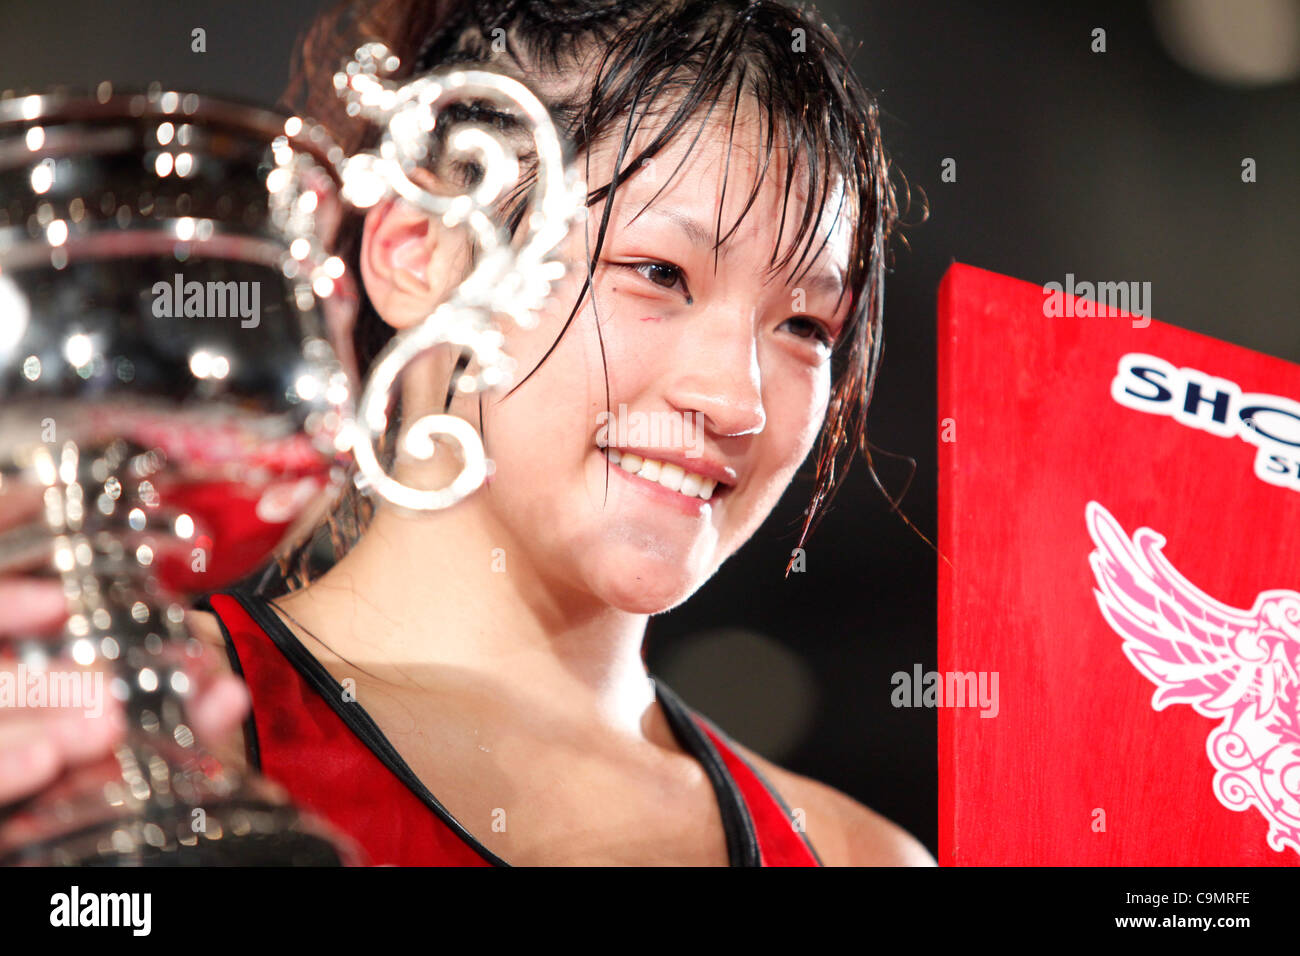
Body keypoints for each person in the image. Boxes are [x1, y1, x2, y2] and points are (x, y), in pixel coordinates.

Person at [0, 0, 934, 866]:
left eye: (807, 327)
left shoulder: (858, 856)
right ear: (417, 249)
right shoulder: (126, 725)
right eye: (658, 272)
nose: (739, 402)